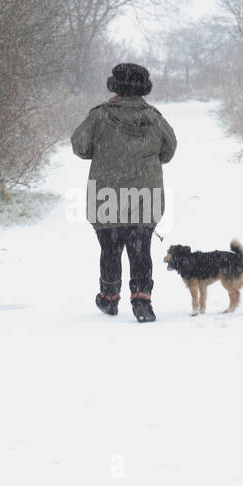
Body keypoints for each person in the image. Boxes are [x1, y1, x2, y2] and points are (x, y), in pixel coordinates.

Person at [71, 63, 177, 323]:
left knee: (110, 248)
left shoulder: (99, 116)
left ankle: (109, 298)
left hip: (107, 195)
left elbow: (80, 145)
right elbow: (169, 151)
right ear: (144, 88)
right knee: (141, 250)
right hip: (145, 196)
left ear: (115, 86)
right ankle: (142, 301)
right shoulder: (155, 118)